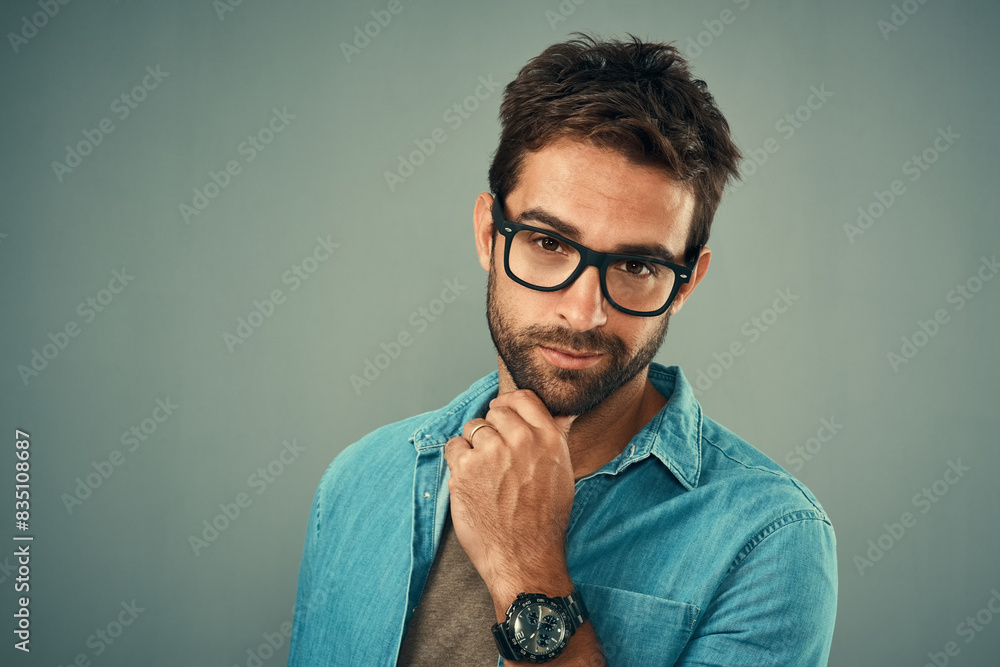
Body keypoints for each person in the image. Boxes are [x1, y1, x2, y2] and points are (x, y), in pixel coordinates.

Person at [288, 31, 837, 666]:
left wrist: (527, 570)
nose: (584, 311)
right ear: (490, 235)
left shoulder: (769, 541)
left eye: (636, 264)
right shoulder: (360, 483)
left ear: (686, 284)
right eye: (549, 244)